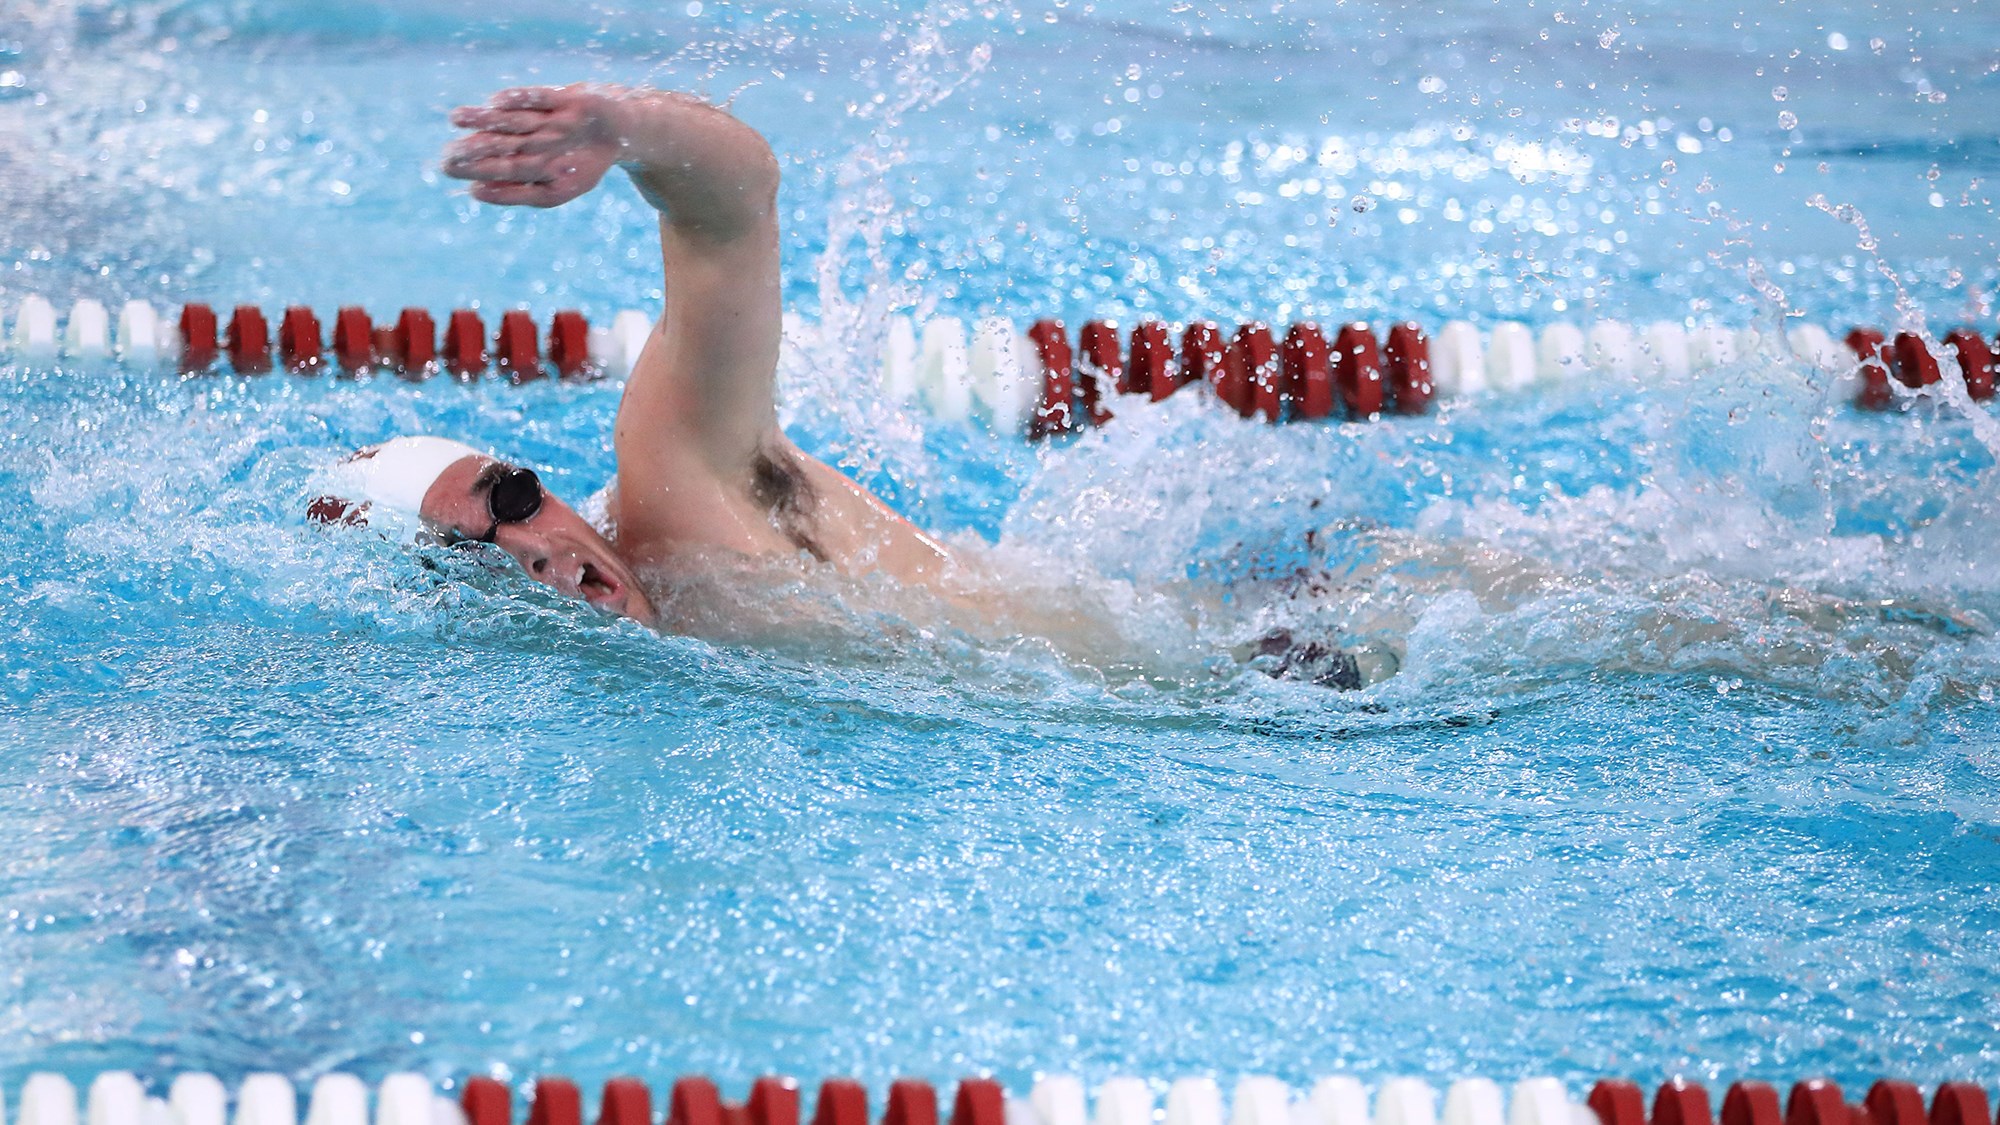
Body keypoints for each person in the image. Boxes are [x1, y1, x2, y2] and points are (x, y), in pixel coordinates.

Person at [313, 84, 965, 631]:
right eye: (463, 555)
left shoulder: (678, 488)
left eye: (514, 497)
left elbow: (734, 212)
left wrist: (626, 129)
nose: (530, 551)